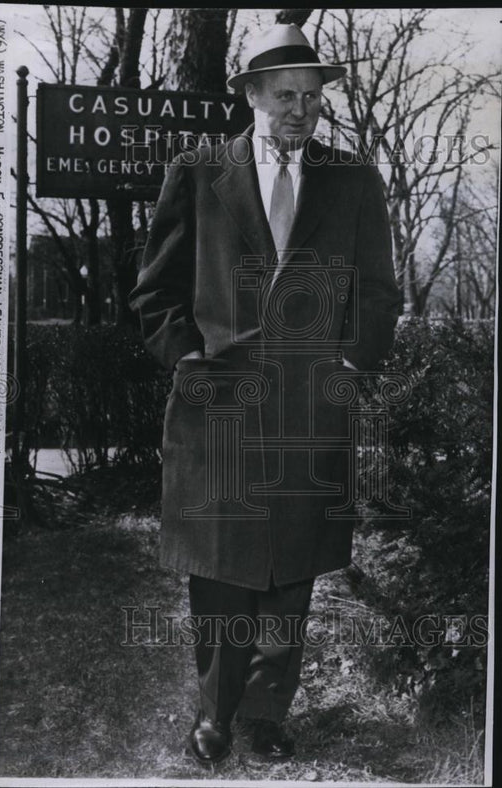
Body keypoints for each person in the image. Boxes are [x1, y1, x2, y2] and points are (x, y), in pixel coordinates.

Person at [129, 24, 402, 765]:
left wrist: (351, 363)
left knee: (291, 570)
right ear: (250, 95)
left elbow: (378, 292)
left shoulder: (353, 179)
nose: (300, 109)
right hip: (216, 405)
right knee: (220, 568)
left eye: (312, 98)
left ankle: (267, 712)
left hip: (310, 408)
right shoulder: (196, 172)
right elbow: (156, 291)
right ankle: (214, 715)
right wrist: (186, 358)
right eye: (285, 95)